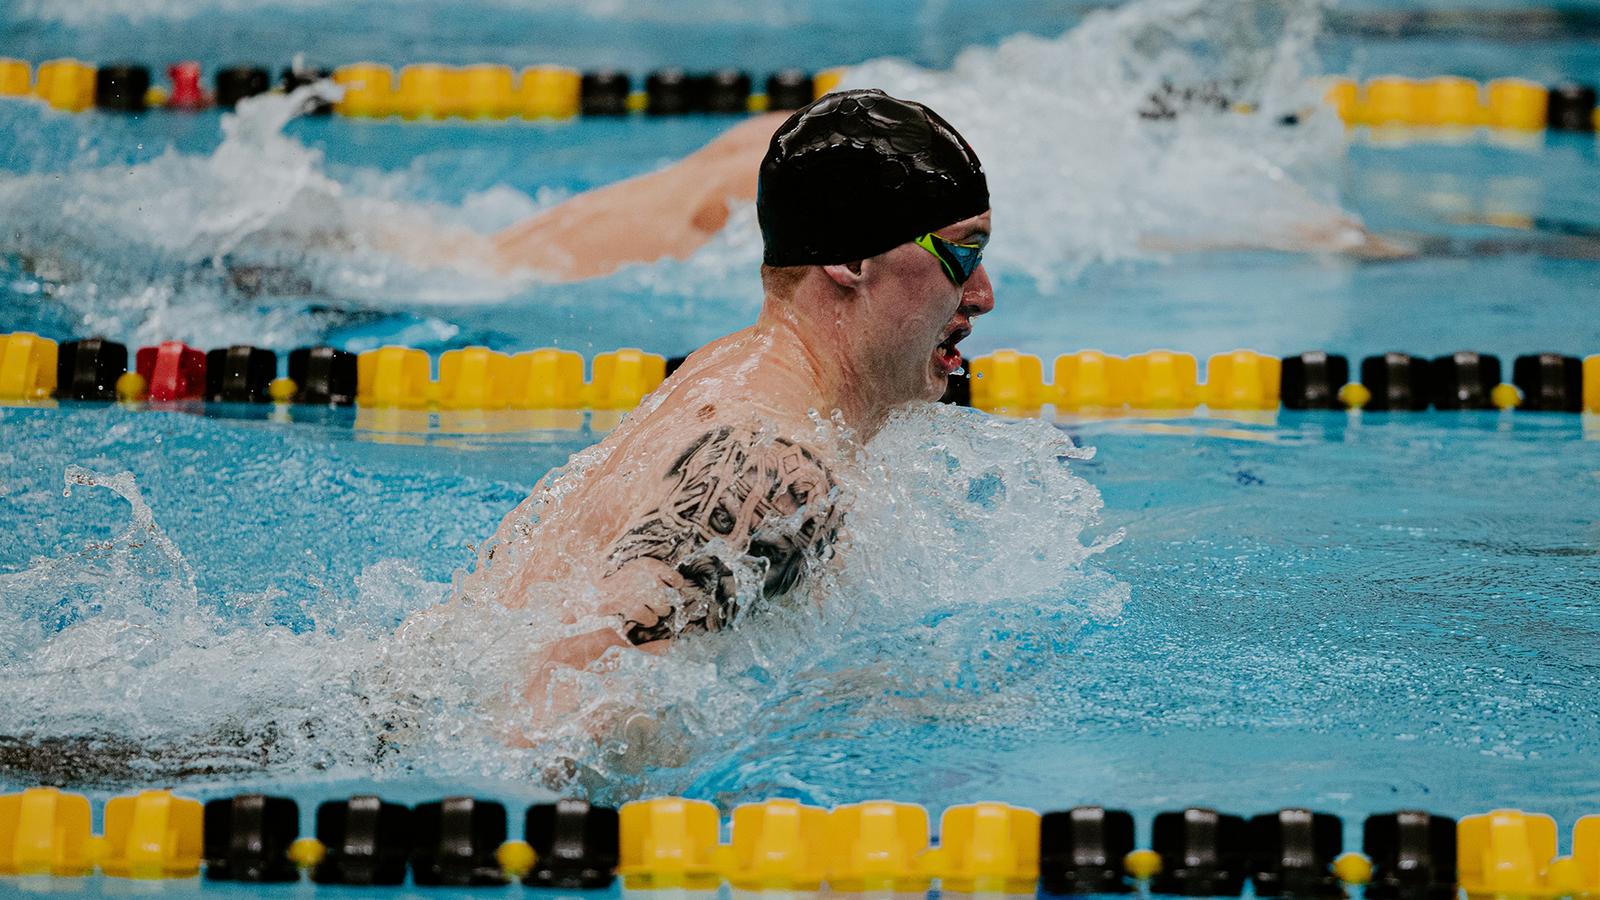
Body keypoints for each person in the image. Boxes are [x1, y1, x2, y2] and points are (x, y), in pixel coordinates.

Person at [457, 89, 994, 719]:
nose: (982, 295)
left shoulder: (736, 373)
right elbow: (561, 699)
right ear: (851, 259)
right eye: (962, 253)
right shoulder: (774, 467)